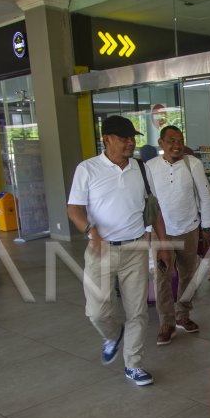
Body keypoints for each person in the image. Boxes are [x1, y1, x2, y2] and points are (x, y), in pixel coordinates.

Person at [67, 116, 164, 386]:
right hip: (101, 250)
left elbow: (154, 209)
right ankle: (112, 335)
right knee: (97, 312)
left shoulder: (142, 169)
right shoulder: (87, 169)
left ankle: (133, 364)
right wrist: (90, 231)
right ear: (107, 139)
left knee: (138, 312)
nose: (130, 143)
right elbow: (73, 209)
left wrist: (161, 244)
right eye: (124, 138)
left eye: (132, 138)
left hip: (135, 248)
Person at [146, 125, 210, 346]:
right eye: (171, 140)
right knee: (162, 279)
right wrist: (151, 232)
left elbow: (204, 195)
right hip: (162, 234)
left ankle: (183, 315)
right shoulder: (150, 167)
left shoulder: (193, 163)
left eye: (179, 140)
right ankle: (166, 322)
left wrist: (206, 227)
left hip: (189, 228)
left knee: (188, 276)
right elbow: (150, 202)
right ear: (161, 143)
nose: (176, 145)